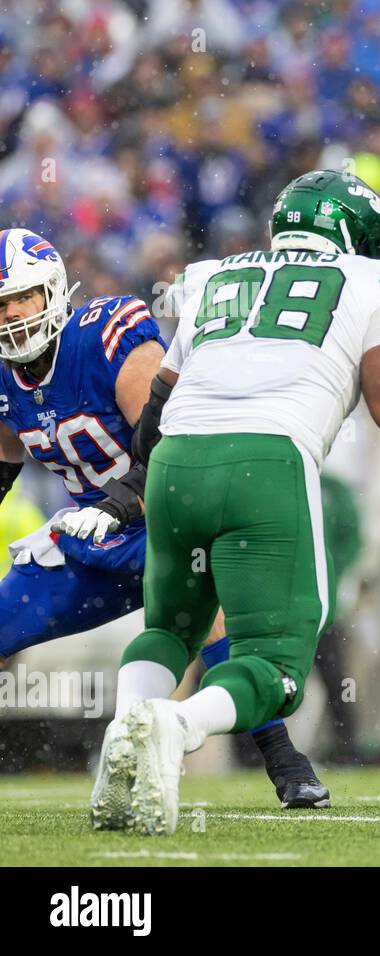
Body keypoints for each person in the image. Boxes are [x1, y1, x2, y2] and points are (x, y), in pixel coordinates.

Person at [70, 170, 380, 835]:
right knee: (277, 667)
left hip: (175, 461)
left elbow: (159, 400)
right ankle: (177, 722)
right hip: (268, 459)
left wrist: (141, 483)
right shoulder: (376, 283)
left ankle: (124, 737)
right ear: (357, 237)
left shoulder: (214, 275)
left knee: (169, 630)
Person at [0, 227, 328, 811]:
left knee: (215, 624)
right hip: (89, 539)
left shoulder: (105, 336)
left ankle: (285, 762)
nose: (11, 316)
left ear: (52, 291)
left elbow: (171, 444)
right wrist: (98, 516)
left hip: (166, 513)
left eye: (20, 298)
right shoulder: (4, 376)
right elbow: (3, 461)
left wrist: (119, 505)